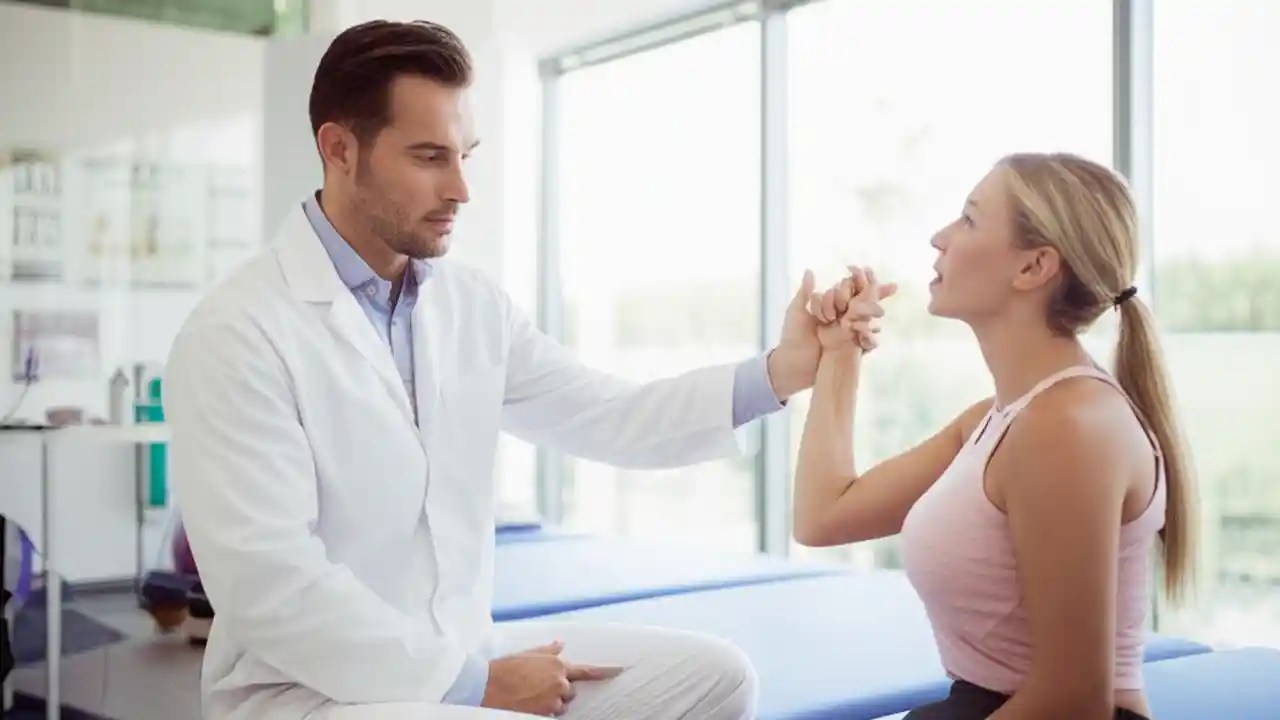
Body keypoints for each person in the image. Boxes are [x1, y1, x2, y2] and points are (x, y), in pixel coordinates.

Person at [165, 19, 853, 720]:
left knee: (715, 678)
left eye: (466, 155)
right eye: (431, 157)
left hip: (463, 652)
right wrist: (475, 686)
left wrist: (781, 371)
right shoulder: (237, 333)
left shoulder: (472, 306)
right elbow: (270, 586)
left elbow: (612, 416)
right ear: (340, 149)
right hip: (309, 696)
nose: (461, 188)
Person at [794, 153, 1196, 720]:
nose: (940, 238)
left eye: (968, 219)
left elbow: (1073, 703)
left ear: (1033, 267)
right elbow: (822, 517)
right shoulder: (1004, 418)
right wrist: (839, 355)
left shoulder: (1067, 429)